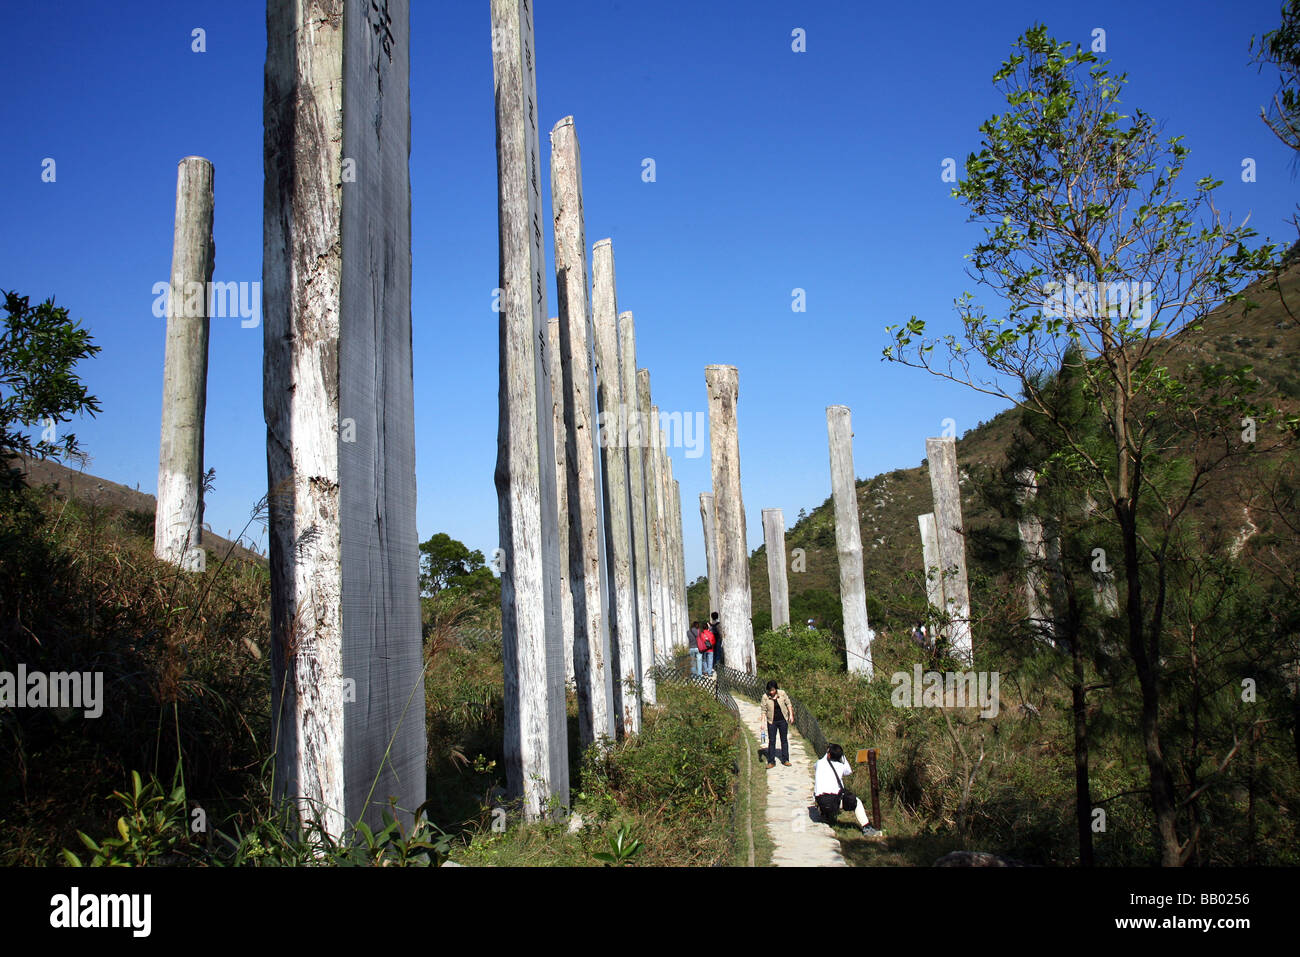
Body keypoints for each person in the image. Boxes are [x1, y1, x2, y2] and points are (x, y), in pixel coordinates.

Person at [814, 743, 881, 836]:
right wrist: (842, 755)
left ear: (828, 754)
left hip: (820, 800)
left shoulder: (819, 763)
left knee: (827, 795)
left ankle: (824, 814)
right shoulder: (841, 767)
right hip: (833, 801)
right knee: (857, 802)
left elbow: (818, 764)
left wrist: (829, 752)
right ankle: (867, 827)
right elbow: (849, 771)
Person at [761, 680, 793, 769]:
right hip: (772, 721)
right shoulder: (765, 697)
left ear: (776, 689)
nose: (771, 692)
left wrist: (791, 715)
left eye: (773, 690)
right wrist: (763, 722)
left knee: (784, 740)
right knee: (772, 741)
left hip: (783, 720)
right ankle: (771, 761)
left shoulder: (782, 693)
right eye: (769, 690)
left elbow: (788, 704)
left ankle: (785, 759)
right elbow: (763, 710)